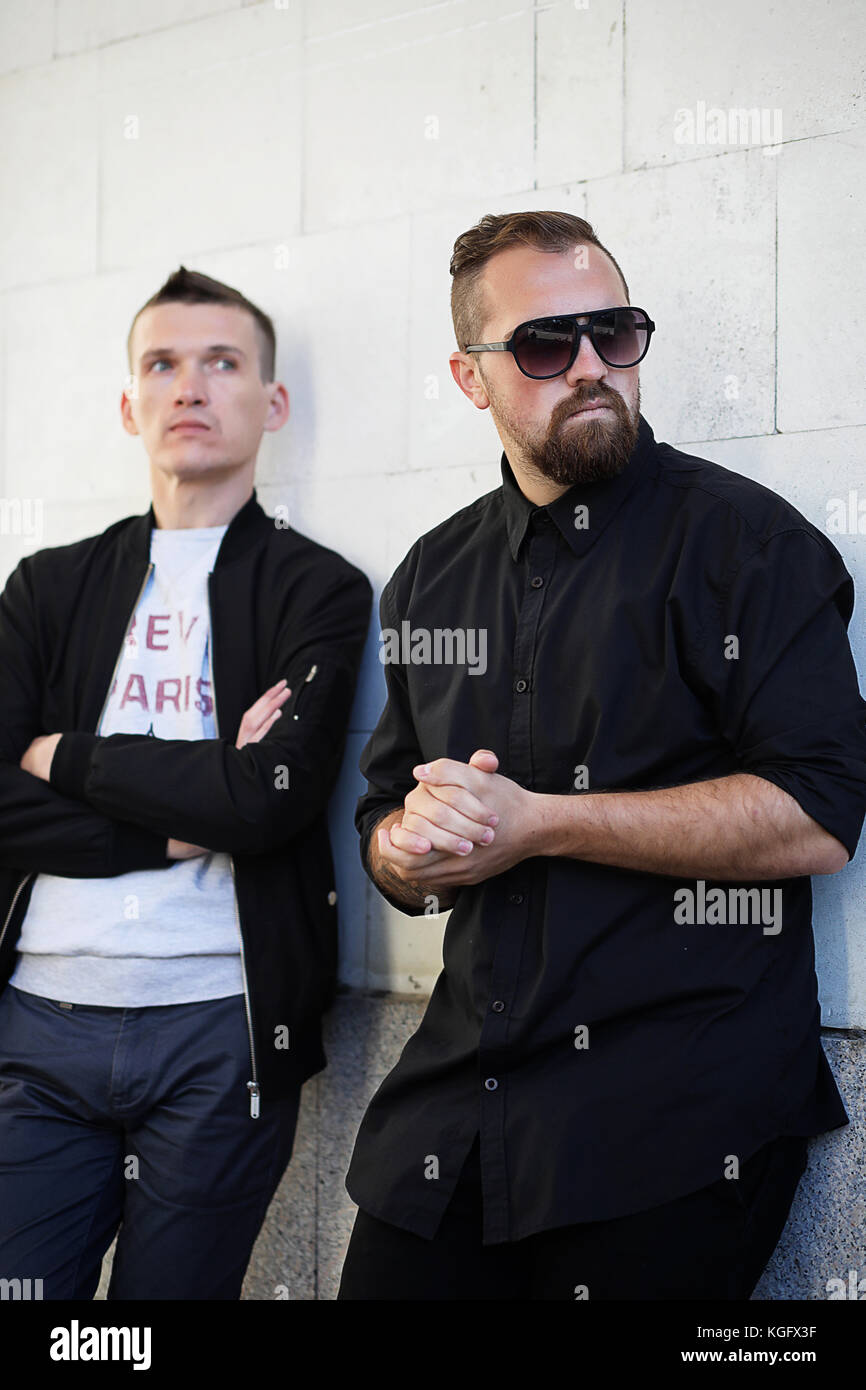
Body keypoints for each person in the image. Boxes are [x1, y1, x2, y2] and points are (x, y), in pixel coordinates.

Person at [337, 210, 866, 1301]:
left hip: (670, 1121)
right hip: (455, 1114)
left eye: (612, 334)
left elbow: (817, 814)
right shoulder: (430, 578)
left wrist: (542, 822)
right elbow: (385, 825)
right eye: (543, 344)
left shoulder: (747, 547)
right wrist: (409, 846)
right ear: (468, 377)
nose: (588, 367)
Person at [0, 266, 372, 1299]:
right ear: (130, 402)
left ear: (271, 401)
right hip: (35, 1023)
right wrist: (170, 819)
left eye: (223, 362)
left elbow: (268, 800)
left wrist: (64, 755)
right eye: (161, 364)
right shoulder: (47, 585)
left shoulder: (318, 588)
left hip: (223, 1029)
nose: (190, 387)